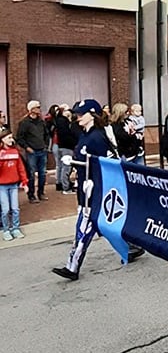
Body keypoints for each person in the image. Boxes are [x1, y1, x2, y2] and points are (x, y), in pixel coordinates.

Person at [51, 99, 117, 281]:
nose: (77, 116)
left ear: (92, 115)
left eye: (81, 113)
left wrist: (78, 165)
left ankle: (72, 267)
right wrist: (74, 166)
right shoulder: (84, 135)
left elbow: (110, 163)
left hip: (94, 191)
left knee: (84, 228)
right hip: (83, 188)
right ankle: (132, 246)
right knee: (104, 225)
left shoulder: (97, 137)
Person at [15, 100, 50, 203]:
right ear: (32, 110)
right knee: (31, 174)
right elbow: (20, 138)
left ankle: (41, 193)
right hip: (32, 152)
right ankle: (31, 195)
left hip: (42, 150)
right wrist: (27, 147)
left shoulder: (41, 122)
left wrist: (46, 145)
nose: (40, 109)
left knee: (42, 174)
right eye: (37, 107)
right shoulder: (24, 123)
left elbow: (46, 134)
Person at [0, 128, 29, 241]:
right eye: (9, 138)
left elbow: (20, 168)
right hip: (2, 185)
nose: (11, 140)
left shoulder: (15, 152)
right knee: (5, 209)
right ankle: (6, 230)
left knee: (15, 208)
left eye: (11, 137)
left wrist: (24, 182)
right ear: (2, 140)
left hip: (14, 184)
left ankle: (15, 228)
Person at [55, 104, 79, 194]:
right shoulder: (63, 122)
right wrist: (74, 142)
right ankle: (66, 187)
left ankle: (62, 184)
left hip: (62, 146)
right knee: (66, 167)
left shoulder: (60, 121)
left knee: (62, 167)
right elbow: (66, 135)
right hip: (67, 147)